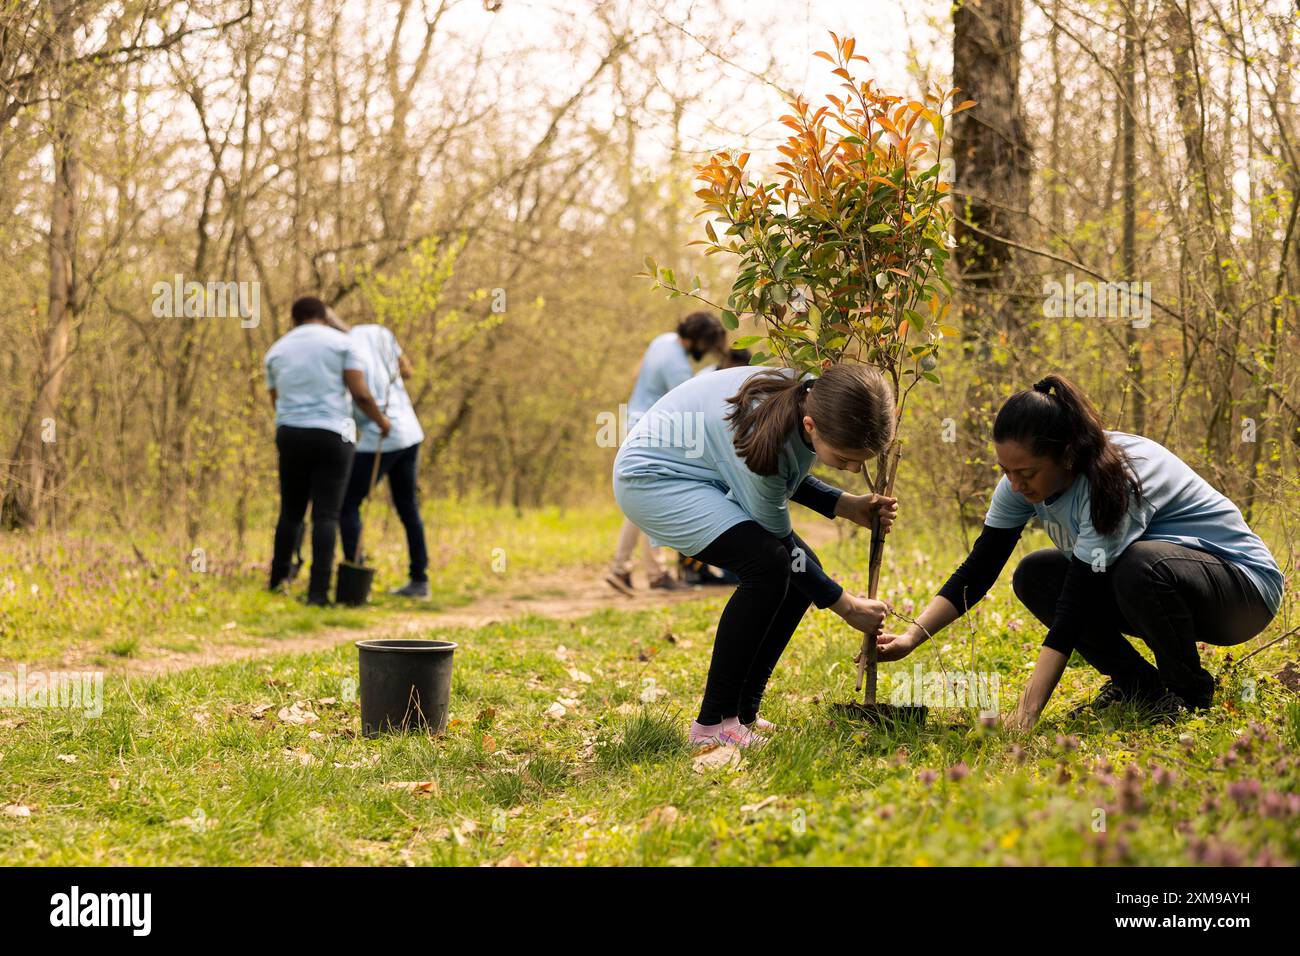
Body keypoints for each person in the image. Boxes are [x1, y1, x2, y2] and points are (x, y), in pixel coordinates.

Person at [876, 374, 1283, 729]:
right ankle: (1143, 690)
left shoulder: (1114, 478)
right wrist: (913, 636)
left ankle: (1188, 692)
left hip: (1242, 594)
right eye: (1006, 471)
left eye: (1026, 473)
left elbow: (1075, 607)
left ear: (1067, 454)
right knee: (1035, 575)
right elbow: (979, 569)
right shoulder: (1021, 485)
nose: (1015, 485)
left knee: (1137, 568)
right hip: (1167, 588)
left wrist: (1026, 712)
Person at [614, 363, 901, 748]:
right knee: (768, 565)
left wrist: (844, 503)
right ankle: (712, 726)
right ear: (813, 426)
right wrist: (845, 604)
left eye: (861, 460)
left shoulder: (803, 400)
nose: (854, 469)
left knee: (800, 572)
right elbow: (772, 494)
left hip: (698, 475)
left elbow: (781, 465)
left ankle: (743, 715)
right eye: (847, 458)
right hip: (652, 481)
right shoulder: (766, 423)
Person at [265, 296, 390, 605]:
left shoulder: (276, 350)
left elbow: (275, 399)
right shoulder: (342, 344)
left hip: (290, 433)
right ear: (324, 316)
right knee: (327, 514)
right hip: (333, 435)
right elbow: (359, 393)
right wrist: (381, 421)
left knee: (291, 511)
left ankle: (278, 582)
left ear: (294, 319)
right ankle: (318, 593)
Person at [606, 312, 727, 594]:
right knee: (653, 498)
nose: (705, 353)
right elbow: (688, 409)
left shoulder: (662, 342)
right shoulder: (678, 368)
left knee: (639, 500)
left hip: (632, 421)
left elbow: (638, 374)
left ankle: (620, 568)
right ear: (698, 340)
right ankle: (656, 574)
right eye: (706, 346)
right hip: (650, 433)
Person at [338, 321, 430, 598]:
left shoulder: (344, 349)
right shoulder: (381, 334)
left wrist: (381, 421)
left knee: (347, 503)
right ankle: (419, 580)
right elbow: (407, 370)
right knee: (408, 507)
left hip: (383, 436)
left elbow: (362, 396)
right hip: (410, 432)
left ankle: (356, 575)